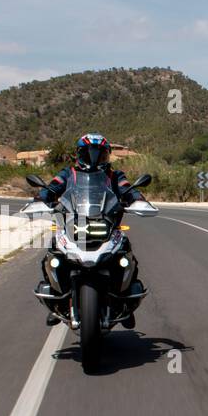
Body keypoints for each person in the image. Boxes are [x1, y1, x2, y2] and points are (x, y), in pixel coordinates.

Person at [33, 133, 146, 327]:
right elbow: (52, 187)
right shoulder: (68, 174)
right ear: (79, 154)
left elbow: (128, 189)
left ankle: (124, 301)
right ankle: (57, 302)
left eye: (100, 154)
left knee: (126, 254)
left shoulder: (114, 176)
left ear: (106, 156)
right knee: (52, 253)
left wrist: (138, 200)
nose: (94, 159)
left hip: (107, 225)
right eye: (89, 154)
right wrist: (40, 198)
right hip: (73, 224)